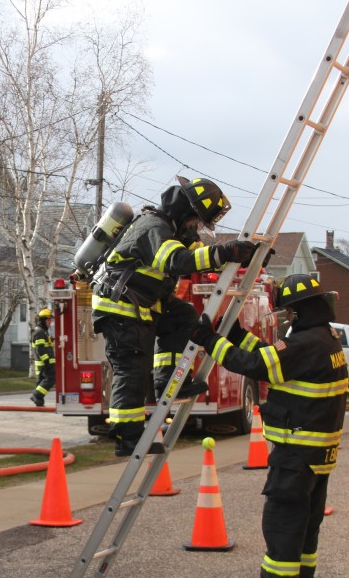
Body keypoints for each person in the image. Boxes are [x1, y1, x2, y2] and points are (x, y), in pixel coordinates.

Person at [192, 273, 348, 578]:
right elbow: (271, 356)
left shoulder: (305, 344)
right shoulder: (326, 338)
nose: (288, 319)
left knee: (282, 515)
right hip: (319, 450)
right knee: (307, 516)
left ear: (303, 311)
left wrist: (209, 340)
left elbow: (254, 364)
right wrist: (235, 335)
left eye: (291, 313)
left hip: (297, 448)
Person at [90, 176, 261, 456]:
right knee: (132, 370)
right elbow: (177, 261)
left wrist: (245, 256)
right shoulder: (154, 227)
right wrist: (225, 252)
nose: (196, 228)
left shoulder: (171, 231)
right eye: (196, 221)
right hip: (120, 310)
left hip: (143, 306)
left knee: (184, 316)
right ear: (186, 213)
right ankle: (127, 437)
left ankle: (172, 382)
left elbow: (202, 256)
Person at [30, 308, 56, 407]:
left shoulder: (43, 332)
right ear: (43, 321)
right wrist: (47, 361)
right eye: (48, 320)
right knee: (51, 378)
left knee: (41, 381)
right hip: (44, 363)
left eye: (51, 320)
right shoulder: (40, 332)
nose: (50, 322)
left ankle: (39, 399)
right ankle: (37, 395)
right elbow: (40, 349)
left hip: (44, 362)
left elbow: (46, 345)